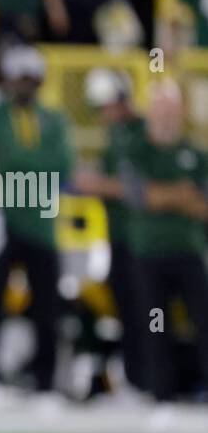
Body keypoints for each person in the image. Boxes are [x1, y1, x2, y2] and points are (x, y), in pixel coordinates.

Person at [0, 44, 72, 401]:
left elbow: (61, 164)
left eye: (30, 79)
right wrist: (26, 167)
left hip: (40, 222)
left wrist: (15, 166)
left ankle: (46, 383)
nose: (24, 85)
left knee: (47, 305)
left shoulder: (54, 119)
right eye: (19, 78)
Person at [126, 81, 208, 406]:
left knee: (203, 321)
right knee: (156, 325)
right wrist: (181, 195)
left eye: (170, 107)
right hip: (149, 253)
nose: (165, 114)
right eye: (160, 107)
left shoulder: (195, 154)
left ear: (181, 111)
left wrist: (165, 196)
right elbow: (140, 196)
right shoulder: (137, 149)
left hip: (189, 251)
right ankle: (162, 395)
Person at [74, 67, 146, 393]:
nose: (103, 114)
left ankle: (150, 380)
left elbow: (145, 189)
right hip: (118, 237)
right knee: (125, 310)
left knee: (147, 313)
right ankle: (133, 378)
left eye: (107, 106)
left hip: (143, 240)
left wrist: (98, 185)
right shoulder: (116, 136)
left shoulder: (143, 133)